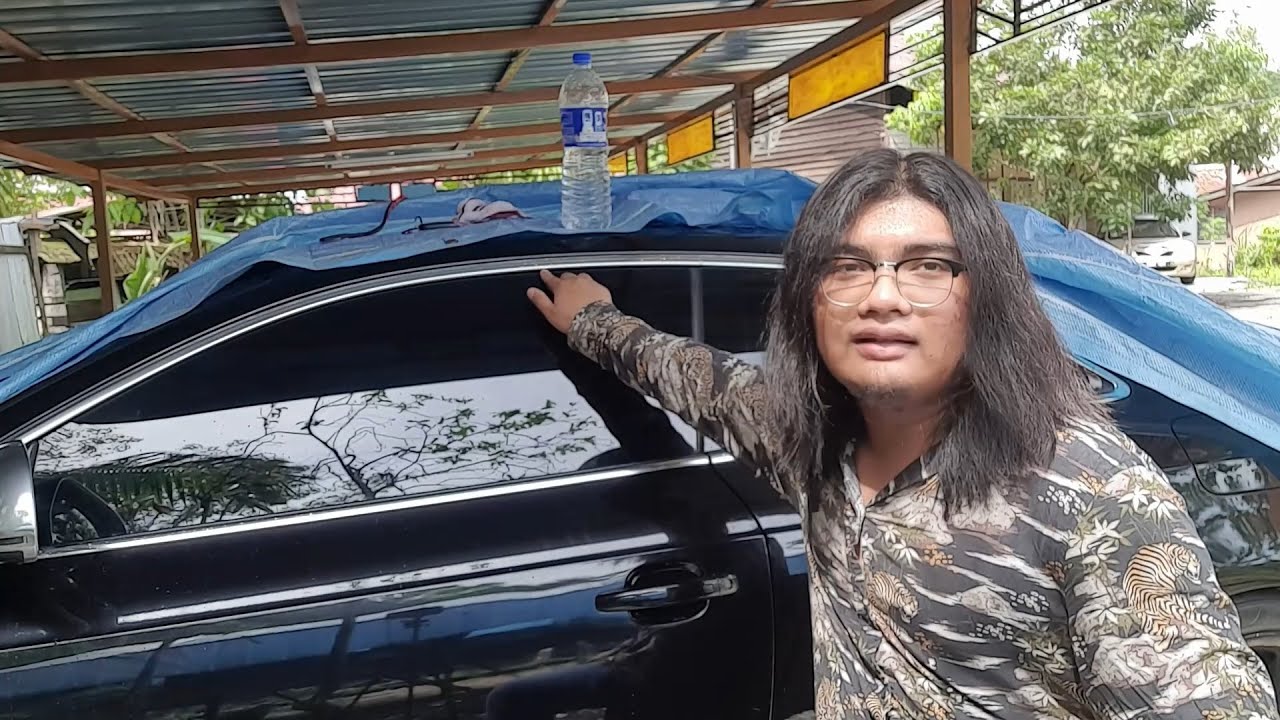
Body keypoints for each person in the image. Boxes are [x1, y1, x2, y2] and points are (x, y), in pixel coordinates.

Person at [526, 148, 1279, 719]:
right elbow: (693, 378)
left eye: (927, 267)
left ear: (984, 296)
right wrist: (594, 321)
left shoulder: (1092, 492)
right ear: (807, 302)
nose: (882, 297)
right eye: (847, 267)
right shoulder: (808, 440)